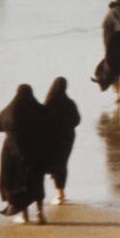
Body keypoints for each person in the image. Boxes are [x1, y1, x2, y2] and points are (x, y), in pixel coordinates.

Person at [0, 83, 49, 223]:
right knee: (36, 181)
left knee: (19, 182)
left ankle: (24, 216)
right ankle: (40, 214)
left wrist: (9, 131)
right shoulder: (39, 109)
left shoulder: (11, 109)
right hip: (35, 150)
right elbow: (49, 125)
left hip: (13, 151)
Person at [41, 76, 82, 204]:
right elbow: (77, 120)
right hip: (67, 138)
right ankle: (60, 194)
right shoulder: (70, 103)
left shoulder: (48, 103)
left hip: (51, 138)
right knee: (62, 163)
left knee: (51, 161)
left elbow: (42, 121)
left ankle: (51, 193)